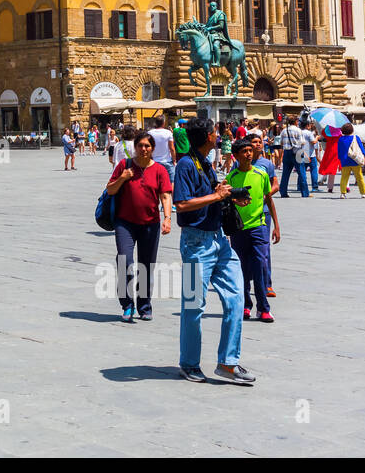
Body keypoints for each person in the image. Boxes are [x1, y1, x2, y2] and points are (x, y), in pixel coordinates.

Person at [172, 118, 253, 385]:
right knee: (194, 305)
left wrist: (227, 195)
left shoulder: (205, 162)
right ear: (208, 136)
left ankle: (228, 363)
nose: (218, 135)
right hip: (196, 243)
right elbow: (182, 204)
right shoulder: (186, 164)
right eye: (215, 132)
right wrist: (216, 197)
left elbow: (209, 194)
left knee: (236, 297)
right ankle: (189, 363)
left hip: (219, 241)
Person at [104, 132, 173, 322]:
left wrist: (167, 218)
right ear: (135, 147)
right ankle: (127, 304)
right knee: (125, 261)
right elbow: (110, 189)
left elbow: (166, 195)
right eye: (141, 145)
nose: (144, 149)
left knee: (146, 266)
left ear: (152, 148)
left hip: (150, 223)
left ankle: (144, 306)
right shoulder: (124, 166)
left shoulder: (159, 170)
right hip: (124, 222)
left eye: (147, 146)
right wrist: (123, 178)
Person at [226, 138, 280, 323]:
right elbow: (224, 199)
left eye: (250, 150)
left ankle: (264, 308)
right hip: (238, 229)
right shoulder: (231, 177)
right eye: (244, 151)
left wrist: (277, 226)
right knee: (241, 269)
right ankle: (246, 306)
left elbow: (268, 199)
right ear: (236, 156)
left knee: (260, 266)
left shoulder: (261, 173)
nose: (249, 153)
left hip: (259, 226)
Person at [278, 118, 310, 199]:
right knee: (301, 172)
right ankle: (305, 193)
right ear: (296, 122)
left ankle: (283, 192)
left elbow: (281, 142)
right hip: (298, 152)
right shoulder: (298, 130)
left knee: (285, 173)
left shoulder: (284, 131)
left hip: (287, 152)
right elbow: (302, 142)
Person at [337, 123, 365, 199]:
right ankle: (363, 193)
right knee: (359, 177)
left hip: (345, 161)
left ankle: (343, 193)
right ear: (352, 130)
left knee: (344, 178)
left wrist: (340, 159)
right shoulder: (356, 137)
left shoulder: (340, 139)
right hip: (355, 160)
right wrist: (364, 156)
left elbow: (339, 151)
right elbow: (361, 148)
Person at [146, 116, 175, 182]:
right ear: (163, 123)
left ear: (155, 123)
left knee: (154, 181)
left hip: (153, 161)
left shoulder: (149, 133)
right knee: (171, 181)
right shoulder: (168, 133)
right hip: (167, 161)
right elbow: (172, 148)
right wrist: (174, 160)